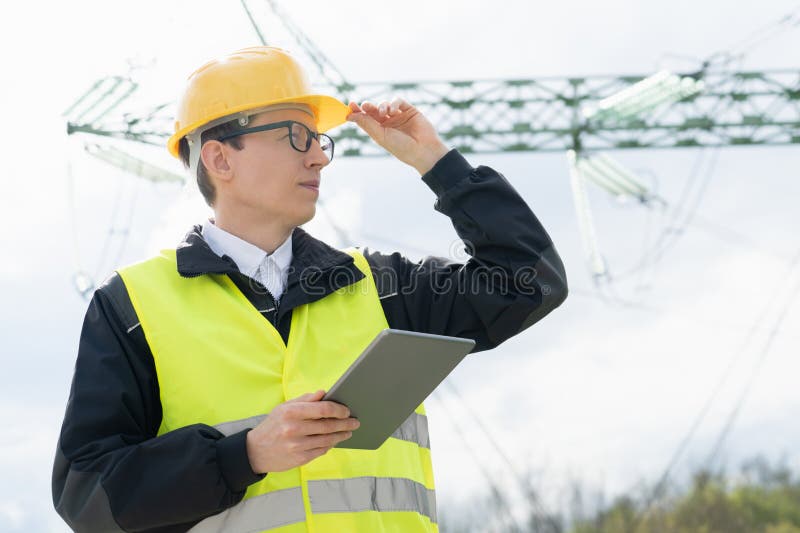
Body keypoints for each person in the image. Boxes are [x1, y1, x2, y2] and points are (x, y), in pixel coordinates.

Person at [52, 46, 568, 533]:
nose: (319, 158)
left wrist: (437, 162)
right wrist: (245, 456)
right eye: (295, 137)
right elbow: (87, 496)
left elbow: (531, 281)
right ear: (220, 159)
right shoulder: (132, 307)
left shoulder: (382, 287)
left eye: (320, 141)